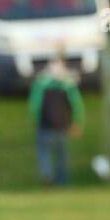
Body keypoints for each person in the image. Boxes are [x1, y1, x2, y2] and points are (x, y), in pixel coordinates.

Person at [28, 57, 84, 186]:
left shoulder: (41, 84)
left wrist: (34, 119)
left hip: (45, 126)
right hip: (63, 126)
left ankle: (46, 174)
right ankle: (62, 181)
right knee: (62, 156)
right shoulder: (68, 86)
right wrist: (77, 122)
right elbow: (77, 105)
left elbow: (35, 105)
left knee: (44, 153)